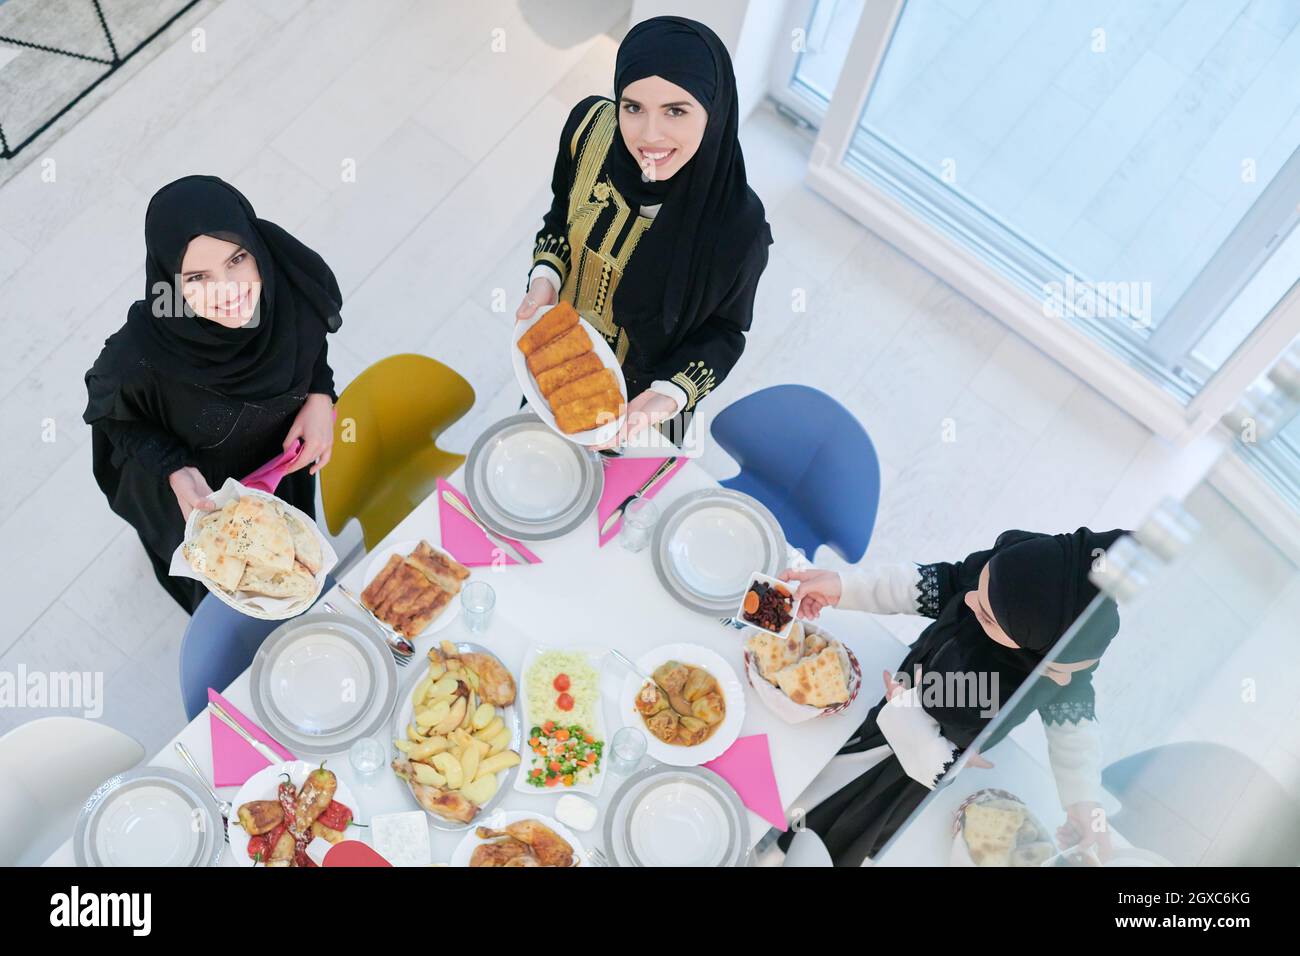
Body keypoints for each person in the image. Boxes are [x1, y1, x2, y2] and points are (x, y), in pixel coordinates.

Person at [776, 527, 1128, 866]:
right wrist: (843, 587)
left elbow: (1068, 728)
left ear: (1040, 655)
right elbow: (937, 583)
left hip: (898, 769)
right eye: (980, 585)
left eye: (987, 617)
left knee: (823, 823)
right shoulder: (1003, 581)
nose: (969, 600)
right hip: (889, 698)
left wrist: (1083, 798)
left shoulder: (1025, 683)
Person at [83, 175, 342, 613]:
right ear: (171, 281)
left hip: (278, 468)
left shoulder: (290, 287)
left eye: (237, 258)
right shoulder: (141, 356)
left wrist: (321, 394)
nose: (230, 291)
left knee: (291, 574)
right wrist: (172, 468)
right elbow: (111, 414)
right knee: (223, 598)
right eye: (199, 277)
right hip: (198, 494)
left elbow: (309, 344)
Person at [515, 15, 772, 448]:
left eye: (676, 110)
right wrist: (546, 278)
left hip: (651, 400)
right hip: (562, 360)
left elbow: (726, 333)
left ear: (715, 109)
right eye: (633, 107)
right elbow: (561, 214)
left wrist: (665, 398)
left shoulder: (737, 228)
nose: (649, 136)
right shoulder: (589, 131)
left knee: (618, 509)